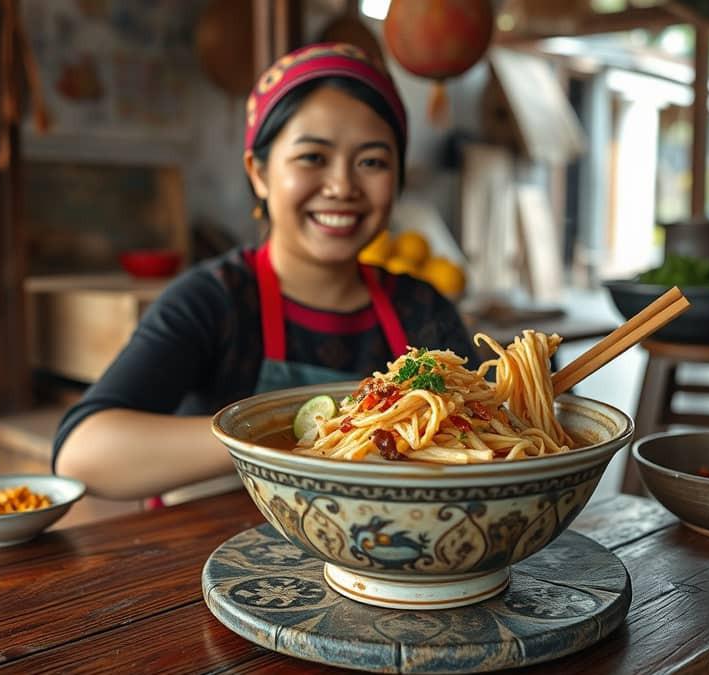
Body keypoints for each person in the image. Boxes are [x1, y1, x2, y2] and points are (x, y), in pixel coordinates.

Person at [53, 43, 475, 500]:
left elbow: (486, 434)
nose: (342, 186)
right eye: (313, 157)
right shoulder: (215, 299)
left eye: (371, 162)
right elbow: (81, 453)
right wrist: (287, 434)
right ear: (259, 172)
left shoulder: (421, 309)